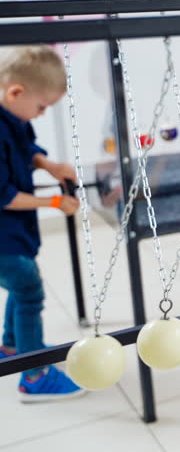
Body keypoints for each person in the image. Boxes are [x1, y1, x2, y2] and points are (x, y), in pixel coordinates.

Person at [0, 45, 85, 403]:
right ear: (16, 92)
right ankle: (33, 375)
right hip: (3, 237)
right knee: (29, 288)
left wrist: (49, 166)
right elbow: (4, 195)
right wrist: (53, 201)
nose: (41, 113)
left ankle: (13, 344)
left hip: (14, 234)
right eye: (41, 107)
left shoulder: (13, 118)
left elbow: (27, 150)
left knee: (23, 283)